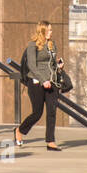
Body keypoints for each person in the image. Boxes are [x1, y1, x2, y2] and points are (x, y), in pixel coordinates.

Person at [15, 20, 63, 152]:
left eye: (51, 30)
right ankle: (20, 130)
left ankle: (50, 141)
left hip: (52, 81)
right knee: (37, 112)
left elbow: (52, 64)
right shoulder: (33, 45)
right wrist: (43, 80)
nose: (51, 33)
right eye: (48, 30)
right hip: (36, 81)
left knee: (52, 111)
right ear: (42, 31)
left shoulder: (52, 45)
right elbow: (32, 65)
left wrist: (58, 66)